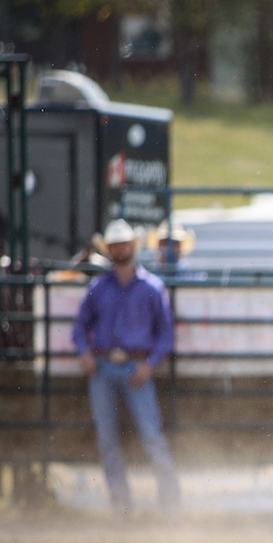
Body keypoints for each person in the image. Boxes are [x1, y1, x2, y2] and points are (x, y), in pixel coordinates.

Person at [71, 218, 181, 517]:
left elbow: (166, 335)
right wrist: (84, 352)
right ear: (109, 250)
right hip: (104, 366)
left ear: (132, 246)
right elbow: (80, 327)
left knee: (151, 437)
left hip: (136, 366)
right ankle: (121, 505)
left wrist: (150, 364)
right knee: (108, 439)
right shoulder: (100, 287)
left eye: (123, 244)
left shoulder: (152, 287)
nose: (120, 249)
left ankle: (170, 506)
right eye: (115, 245)